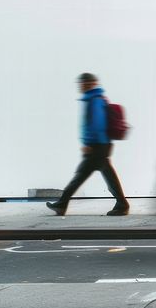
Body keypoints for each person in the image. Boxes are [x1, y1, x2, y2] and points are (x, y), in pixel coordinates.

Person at [46, 73, 129, 216]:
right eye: (80, 83)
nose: (81, 86)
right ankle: (122, 204)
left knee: (80, 176)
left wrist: (89, 143)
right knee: (106, 176)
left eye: (84, 83)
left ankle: (62, 204)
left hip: (96, 146)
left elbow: (97, 124)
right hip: (101, 145)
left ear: (91, 84)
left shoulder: (94, 100)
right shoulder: (93, 99)